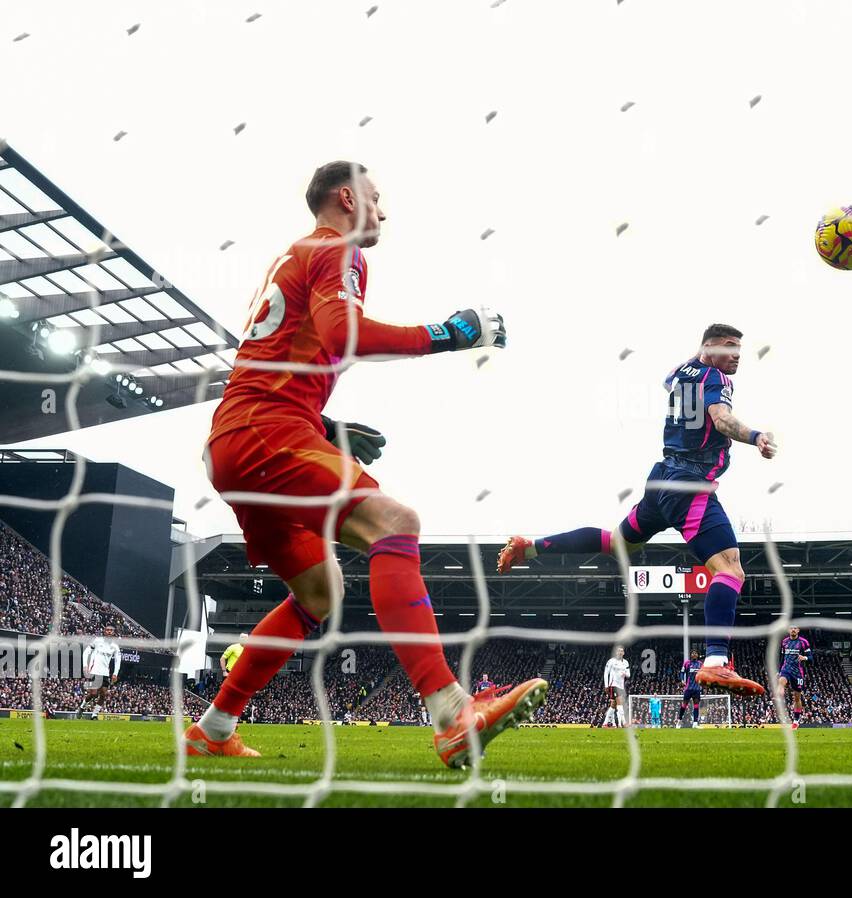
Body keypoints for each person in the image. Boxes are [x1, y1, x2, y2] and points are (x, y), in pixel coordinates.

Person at [189, 161, 545, 767]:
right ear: (347, 198)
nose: (383, 212)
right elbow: (343, 331)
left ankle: (213, 727)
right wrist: (449, 333)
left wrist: (321, 426)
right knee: (394, 522)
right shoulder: (337, 248)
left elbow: (283, 354)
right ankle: (452, 713)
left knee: (319, 593)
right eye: (378, 199)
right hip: (265, 430)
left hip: (237, 438)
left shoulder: (296, 254)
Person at [497, 324, 774, 698]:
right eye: (728, 347)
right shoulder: (716, 380)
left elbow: (669, 380)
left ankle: (529, 547)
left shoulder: (684, 371)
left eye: (739, 348)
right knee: (730, 569)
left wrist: (699, 357)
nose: (736, 354)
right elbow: (721, 418)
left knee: (618, 543)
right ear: (708, 347)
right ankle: (715, 663)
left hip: (661, 481)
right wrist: (755, 436)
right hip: (689, 484)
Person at [80, 625, 121, 718]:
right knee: (93, 693)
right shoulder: (97, 641)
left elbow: (118, 660)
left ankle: (94, 715)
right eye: (108, 630)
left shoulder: (115, 646)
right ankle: (82, 706)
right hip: (94, 670)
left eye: (111, 630)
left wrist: (115, 673)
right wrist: (85, 665)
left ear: (113, 632)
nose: (109, 632)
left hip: (105, 673)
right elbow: (86, 652)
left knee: (103, 694)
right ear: (104, 631)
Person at [777, 626, 810, 729]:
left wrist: (804, 657)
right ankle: (778, 697)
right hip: (786, 669)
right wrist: (779, 671)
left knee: (797, 698)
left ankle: (796, 721)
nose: (793, 630)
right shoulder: (784, 642)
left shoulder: (804, 642)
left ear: (798, 630)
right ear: (788, 630)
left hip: (797, 672)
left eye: (795, 628)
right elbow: (782, 657)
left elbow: (811, 657)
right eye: (791, 628)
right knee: (781, 682)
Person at [602, 646, 631, 727]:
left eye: (621, 651)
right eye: (618, 651)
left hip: (621, 686)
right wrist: (606, 685)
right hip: (613, 684)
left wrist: (624, 673)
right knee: (620, 702)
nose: (620, 652)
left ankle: (605, 723)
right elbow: (606, 673)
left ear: (623, 653)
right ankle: (624, 723)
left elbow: (629, 675)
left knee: (613, 705)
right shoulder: (611, 661)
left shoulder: (625, 662)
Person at [679, 649, 703, 727]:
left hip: (697, 689)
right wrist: (682, 680)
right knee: (684, 705)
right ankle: (679, 720)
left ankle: (695, 723)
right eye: (692, 653)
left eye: (695, 653)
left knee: (696, 704)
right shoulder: (687, 663)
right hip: (688, 688)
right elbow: (682, 672)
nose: (694, 654)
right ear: (690, 655)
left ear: (698, 655)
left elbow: (703, 674)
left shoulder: (700, 664)